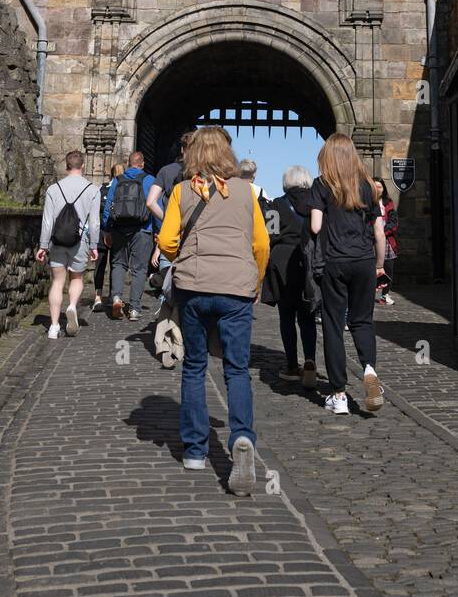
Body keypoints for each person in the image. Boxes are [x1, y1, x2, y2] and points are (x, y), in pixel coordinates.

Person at [158, 126, 270, 495]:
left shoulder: (180, 190)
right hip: (236, 288)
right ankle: (242, 437)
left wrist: (184, 257)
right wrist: (256, 282)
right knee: (237, 369)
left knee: (194, 366)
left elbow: (166, 241)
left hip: (193, 287)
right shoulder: (244, 191)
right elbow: (261, 243)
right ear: (227, 153)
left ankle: (194, 450)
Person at [310, 133, 387, 414]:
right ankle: (368, 370)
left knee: (332, 324)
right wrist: (379, 264)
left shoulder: (321, 185)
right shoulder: (368, 186)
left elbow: (316, 227)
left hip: (335, 261)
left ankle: (339, 394)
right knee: (362, 320)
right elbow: (379, 232)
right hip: (365, 261)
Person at [36, 150, 101, 339]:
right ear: (83, 166)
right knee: (77, 278)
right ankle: (72, 306)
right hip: (79, 242)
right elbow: (95, 222)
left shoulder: (53, 189)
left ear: (66, 166)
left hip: (56, 241)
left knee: (57, 282)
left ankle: (54, 326)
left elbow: (47, 221)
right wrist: (94, 245)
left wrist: (42, 246)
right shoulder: (92, 190)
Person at [264, 165, 318, 388]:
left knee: (286, 317)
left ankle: (292, 365)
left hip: (283, 264)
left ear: (286, 183)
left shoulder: (277, 205)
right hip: (308, 263)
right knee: (307, 316)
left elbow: (270, 235)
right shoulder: (316, 203)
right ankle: (310, 362)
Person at [102, 151, 156, 320]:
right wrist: (159, 232)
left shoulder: (117, 180)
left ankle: (117, 297)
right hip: (142, 230)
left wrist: (107, 228)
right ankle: (134, 309)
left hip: (119, 229)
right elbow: (155, 206)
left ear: (128, 163)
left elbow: (108, 207)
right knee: (139, 270)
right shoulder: (149, 180)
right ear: (142, 164)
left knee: (118, 264)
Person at [147, 130, 195, 280]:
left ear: (182, 149)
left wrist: (167, 219)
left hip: (171, 234)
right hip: (195, 235)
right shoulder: (205, 173)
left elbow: (150, 202)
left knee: (167, 284)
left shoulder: (166, 171)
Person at [92, 163, 123, 313]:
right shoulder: (119, 189)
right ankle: (108, 295)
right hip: (112, 231)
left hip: (105, 231)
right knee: (111, 264)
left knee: (106, 264)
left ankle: (102, 296)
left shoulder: (105, 189)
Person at [373, 177, 398, 306]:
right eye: (375, 186)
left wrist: (382, 232)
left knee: (388, 269)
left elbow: (393, 223)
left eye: (380, 187)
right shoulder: (368, 203)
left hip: (387, 241)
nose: (378, 189)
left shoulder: (389, 203)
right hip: (371, 241)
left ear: (383, 188)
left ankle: (385, 294)